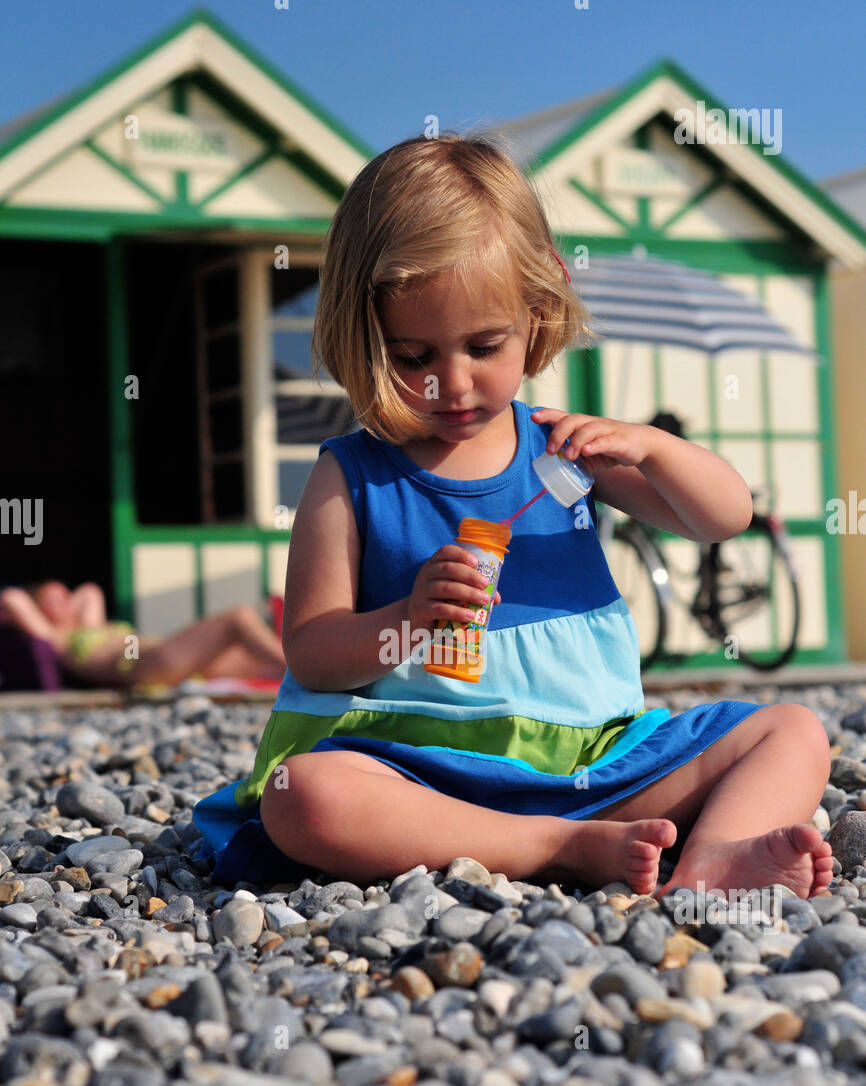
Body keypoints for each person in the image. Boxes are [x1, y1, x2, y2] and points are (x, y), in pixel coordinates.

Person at [193, 131, 833, 902]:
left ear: (537, 314)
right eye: (414, 356)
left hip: (591, 765)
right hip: (423, 778)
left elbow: (722, 518)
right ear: (365, 339)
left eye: (483, 345)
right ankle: (558, 848)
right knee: (306, 796)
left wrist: (656, 449)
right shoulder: (350, 477)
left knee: (791, 730)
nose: (451, 384)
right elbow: (313, 650)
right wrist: (406, 618)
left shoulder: (563, 453)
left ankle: (715, 861)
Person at [0, 580, 286, 688]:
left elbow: (89, 590)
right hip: (139, 664)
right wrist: (40, 598)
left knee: (248, 659)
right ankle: (298, 666)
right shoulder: (54, 637)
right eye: (53, 600)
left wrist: (62, 601)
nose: (64, 602)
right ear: (38, 608)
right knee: (238, 619)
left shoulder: (88, 626)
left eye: (65, 594)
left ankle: (319, 678)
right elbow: (12, 596)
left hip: (155, 652)